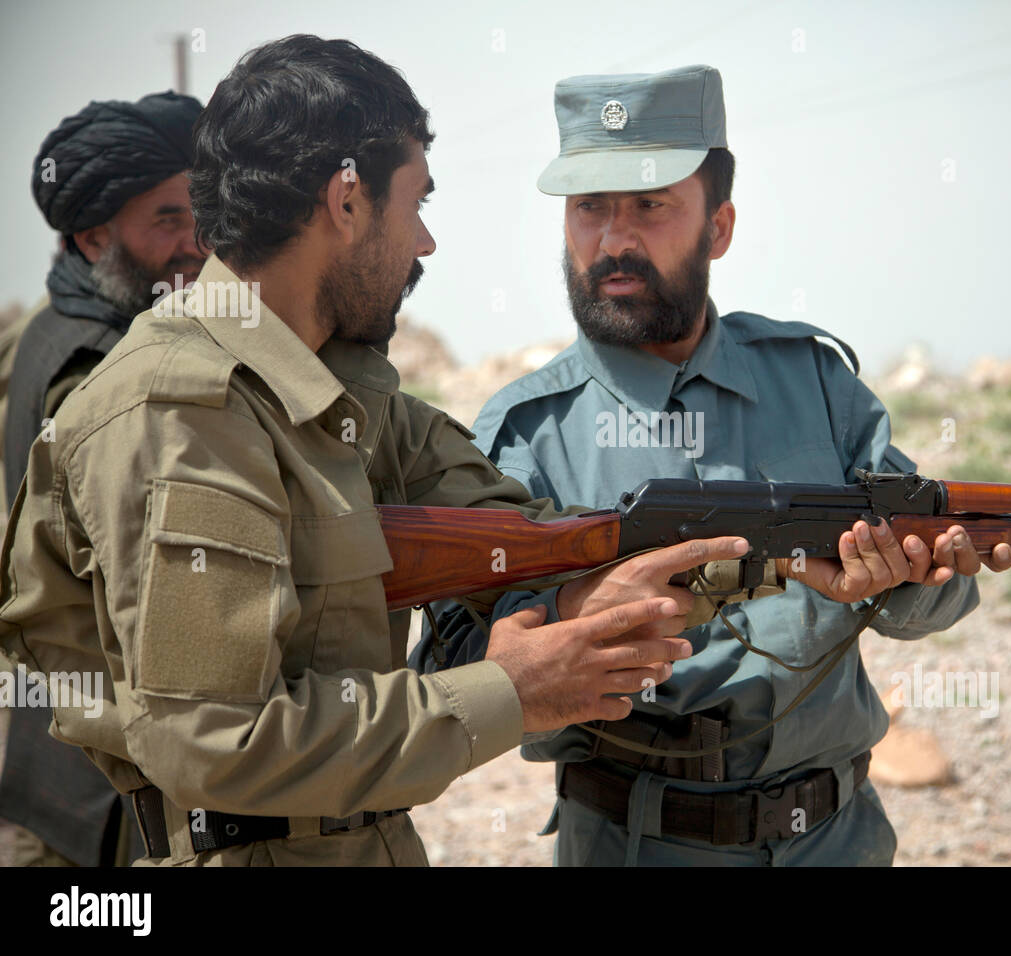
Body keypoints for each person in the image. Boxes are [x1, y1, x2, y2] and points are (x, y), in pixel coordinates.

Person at [0, 36, 740, 867]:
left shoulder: (341, 388)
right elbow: (219, 743)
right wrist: (511, 692)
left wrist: (765, 557)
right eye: (416, 201)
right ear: (346, 200)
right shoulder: (179, 412)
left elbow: (538, 548)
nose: (425, 242)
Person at [417, 65, 1011, 866]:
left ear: (719, 228)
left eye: (651, 206)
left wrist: (908, 578)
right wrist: (580, 611)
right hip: (636, 844)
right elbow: (453, 675)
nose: (614, 239)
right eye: (590, 207)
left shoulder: (814, 383)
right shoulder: (527, 430)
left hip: (834, 839)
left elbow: (932, 598)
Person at [0, 91, 204, 867]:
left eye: (198, 216)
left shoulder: (46, 327)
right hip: (99, 804)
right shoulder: (98, 368)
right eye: (167, 221)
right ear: (92, 235)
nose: (195, 244)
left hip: (57, 773)